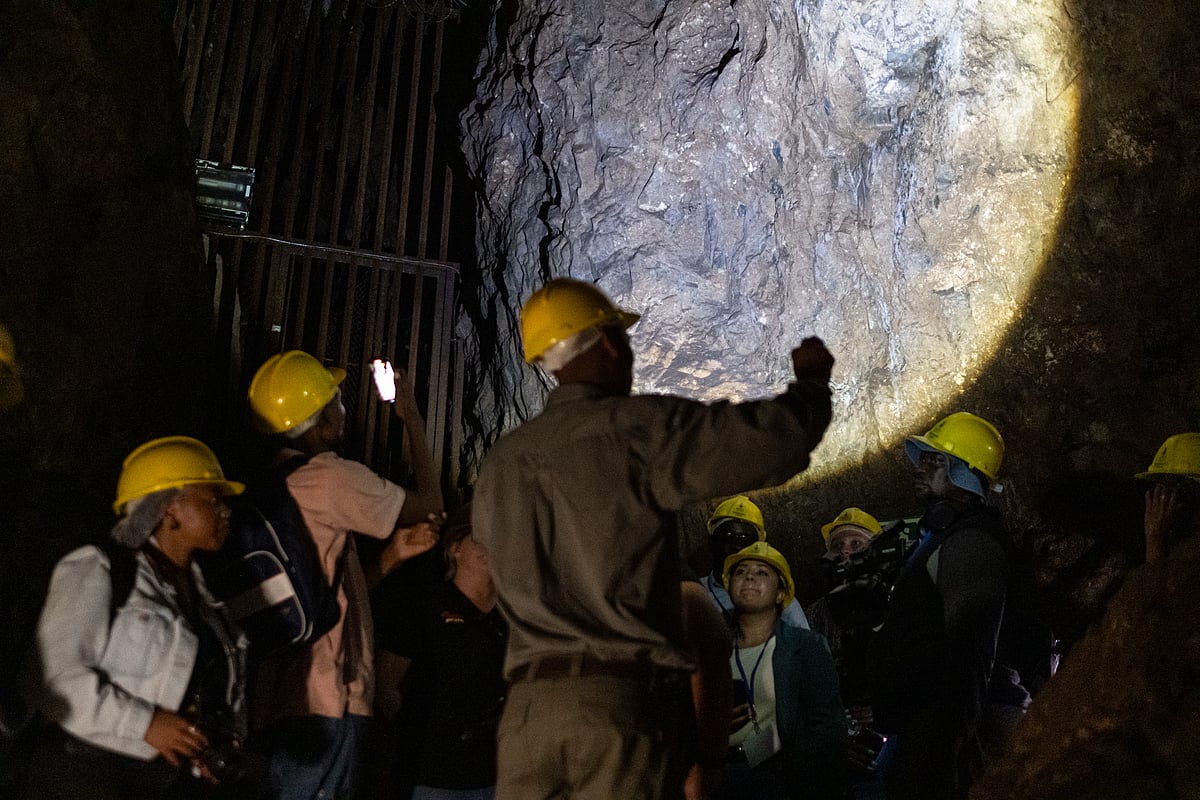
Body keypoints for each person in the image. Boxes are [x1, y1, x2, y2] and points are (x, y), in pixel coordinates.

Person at [472, 277, 835, 800]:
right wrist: (812, 383)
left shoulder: (502, 462)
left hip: (527, 715)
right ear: (606, 344)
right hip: (618, 706)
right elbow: (771, 442)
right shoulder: (636, 430)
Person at [246, 350, 443, 800]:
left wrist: (391, 557)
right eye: (335, 399)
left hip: (280, 697)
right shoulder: (328, 479)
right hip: (330, 696)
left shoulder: (270, 484)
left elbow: (318, 595)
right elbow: (431, 504)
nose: (344, 406)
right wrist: (410, 415)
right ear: (320, 423)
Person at [21, 436, 249, 799]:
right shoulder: (101, 569)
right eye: (212, 499)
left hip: (162, 782)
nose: (225, 511)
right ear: (169, 508)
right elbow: (51, 679)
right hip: (87, 777)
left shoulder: (206, 602)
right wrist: (145, 724)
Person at [867, 412, 1010, 800]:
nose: (920, 466)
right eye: (923, 458)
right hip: (916, 724)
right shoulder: (943, 537)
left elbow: (965, 656)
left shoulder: (972, 543)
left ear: (963, 473)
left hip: (935, 733)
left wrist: (941, 747)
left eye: (934, 460)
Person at [374, 504, 507, 800]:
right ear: (455, 547)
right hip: (435, 778)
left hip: (500, 775)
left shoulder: (515, 617)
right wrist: (422, 736)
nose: (492, 545)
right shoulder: (427, 607)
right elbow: (385, 681)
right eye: (480, 536)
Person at [718, 542, 847, 800]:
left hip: (780, 779)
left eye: (762, 573)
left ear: (780, 594)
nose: (749, 576)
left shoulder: (805, 646)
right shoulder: (712, 650)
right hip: (721, 776)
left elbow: (828, 728)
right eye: (740, 572)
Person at [700, 496, 810, 629]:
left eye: (744, 539)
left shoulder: (775, 596)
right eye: (727, 537)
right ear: (712, 542)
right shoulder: (693, 592)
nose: (736, 547)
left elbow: (804, 644)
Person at [1137, 432, 1200, 563]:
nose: (1162, 500)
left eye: (1176, 489)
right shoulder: (1177, 537)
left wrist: (1154, 543)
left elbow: (1161, 583)